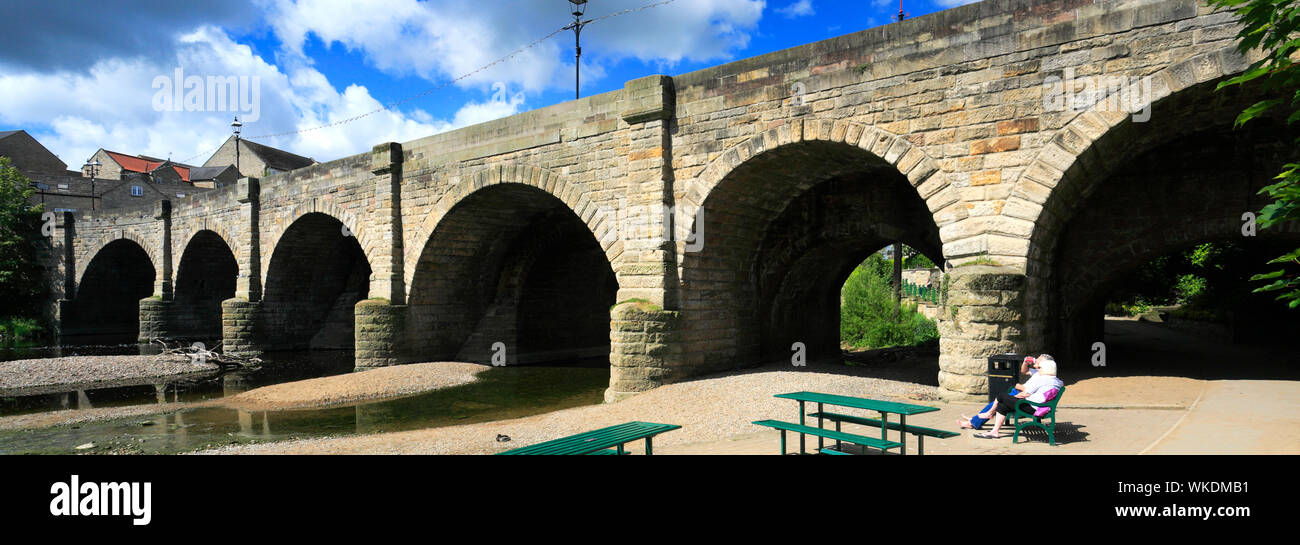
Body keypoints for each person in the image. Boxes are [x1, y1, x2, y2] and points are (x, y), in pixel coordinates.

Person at [968, 354, 1062, 439]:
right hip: (1038, 406)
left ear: (1046, 368)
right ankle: (994, 431)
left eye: (1040, 367)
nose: (1038, 367)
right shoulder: (1056, 380)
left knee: (1001, 396)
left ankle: (989, 413)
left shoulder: (1043, 379)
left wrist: (1017, 390)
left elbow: (1026, 392)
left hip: (1031, 406)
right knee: (1002, 405)